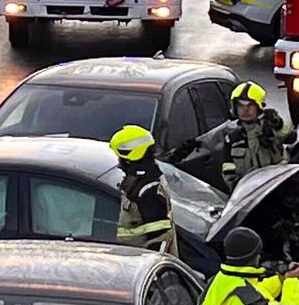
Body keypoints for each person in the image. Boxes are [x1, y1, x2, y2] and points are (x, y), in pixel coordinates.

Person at [187, 81, 289, 188]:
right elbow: (228, 168)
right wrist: (236, 186)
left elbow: (290, 137)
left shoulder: (270, 127)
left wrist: (278, 124)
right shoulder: (232, 137)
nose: (245, 110)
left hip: (277, 187)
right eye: (241, 105)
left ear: (258, 107)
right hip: (249, 192)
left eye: (250, 105)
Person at [200, 227, 299, 305]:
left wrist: (280, 280)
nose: (260, 256)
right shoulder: (248, 302)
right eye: (258, 253)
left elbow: (256, 291)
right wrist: (292, 281)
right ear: (253, 257)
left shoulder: (224, 279)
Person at [109, 125, 177, 255]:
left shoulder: (148, 192)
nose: (119, 162)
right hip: (127, 257)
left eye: (120, 157)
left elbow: (161, 239)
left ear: (128, 158)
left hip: (138, 261)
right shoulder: (135, 184)